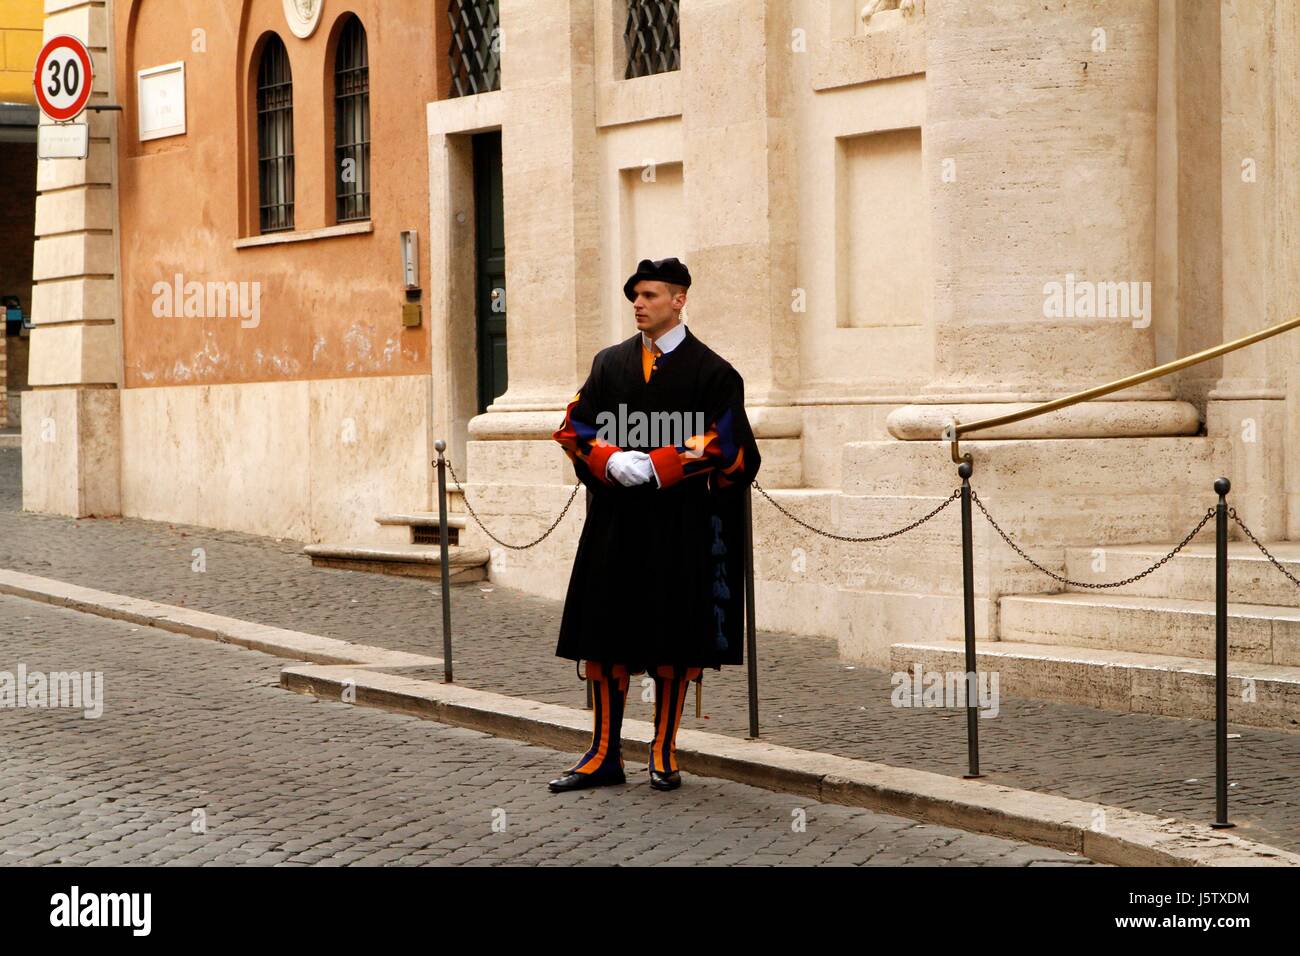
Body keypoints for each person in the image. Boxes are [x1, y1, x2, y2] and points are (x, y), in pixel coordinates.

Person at [548, 257, 761, 792]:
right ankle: (603, 755)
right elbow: (575, 426)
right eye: (635, 297)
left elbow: (728, 442)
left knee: (673, 636)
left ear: (679, 300)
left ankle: (663, 751)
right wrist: (606, 458)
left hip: (680, 526)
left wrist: (663, 461)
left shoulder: (714, 372)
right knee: (605, 634)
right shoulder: (609, 363)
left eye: (649, 295)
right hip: (616, 521)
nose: (638, 305)